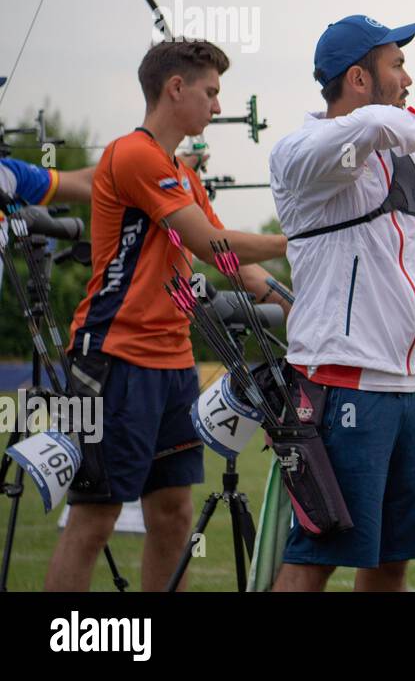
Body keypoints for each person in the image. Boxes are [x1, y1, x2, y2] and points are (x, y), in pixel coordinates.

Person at [45, 39, 289, 592]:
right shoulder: (133, 155)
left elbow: (231, 262)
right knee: (94, 518)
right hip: (113, 359)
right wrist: (292, 239)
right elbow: (209, 243)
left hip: (173, 363)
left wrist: (294, 303)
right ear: (175, 88)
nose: (218, 106)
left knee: (175, 513)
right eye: (211, 92)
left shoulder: (183, 172)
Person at [268, 14, 415, 592]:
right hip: (342, 383)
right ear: (359, 78)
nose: (408, 77)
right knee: (318, 553)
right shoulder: (302, 151)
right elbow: (373, 126)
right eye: (397, 65)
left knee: (393, 559)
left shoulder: (392, 155)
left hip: (407, 386)